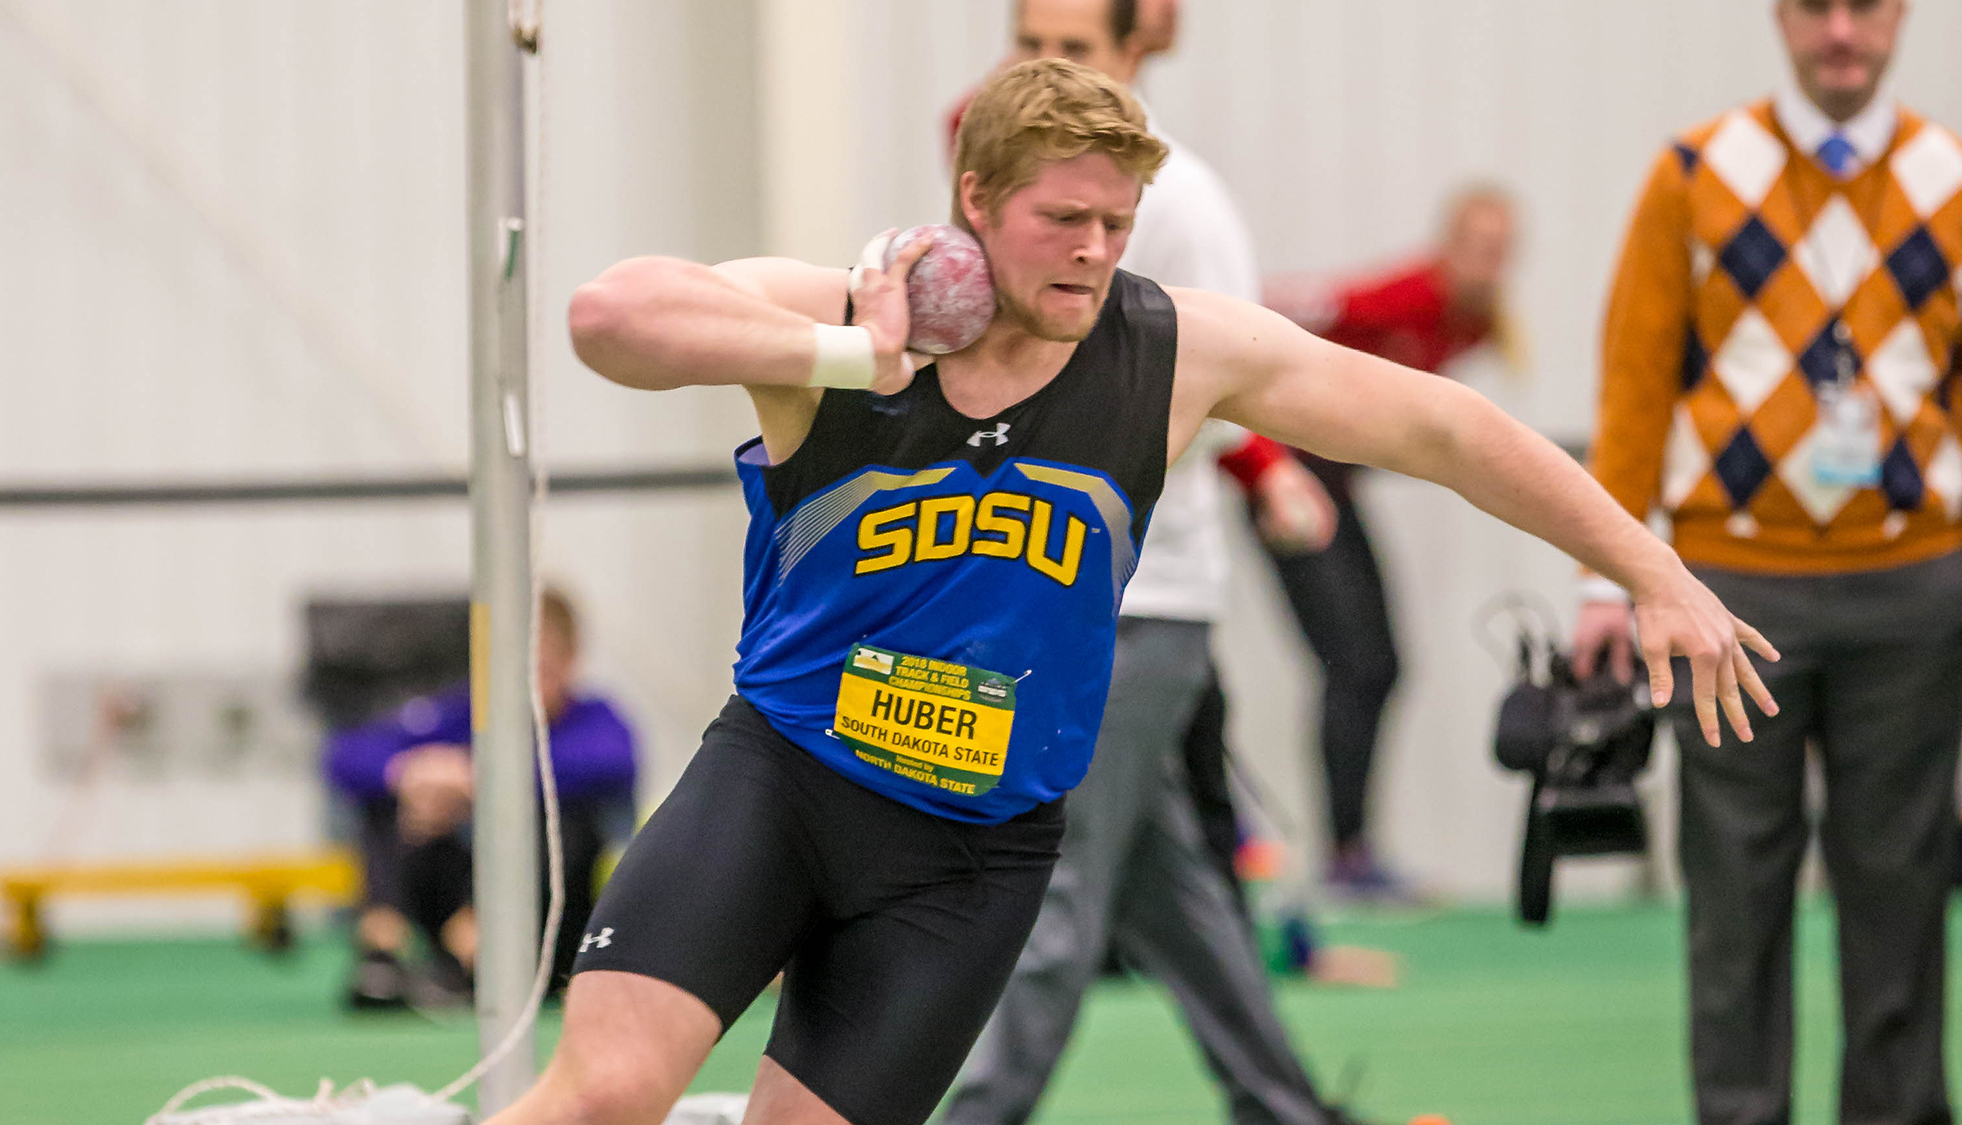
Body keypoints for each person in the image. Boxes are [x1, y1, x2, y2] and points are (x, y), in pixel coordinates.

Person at [494, 58, 1773, 1125]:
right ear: (974, 200)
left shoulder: (1170, 356)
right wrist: (851, 351)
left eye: (1118, 223)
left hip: (970, 857)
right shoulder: (840, 321)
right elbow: (611, 316)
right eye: (1064, 221)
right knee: (605, 1096)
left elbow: (1437, 428)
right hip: (780, 787)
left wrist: (1649, 569)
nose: (1095, 253)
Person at [1570, 2, 1962, 1122]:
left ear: (1897, 16)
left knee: (1900, 888)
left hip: (1916, 588)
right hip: (1726, 590)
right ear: (1780, 17)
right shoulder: (1694, 172)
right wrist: (1604, 579)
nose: (1840, 33)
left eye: (1864, 7)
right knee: (1733, 894)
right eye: (1815, 7)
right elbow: (1633, 386)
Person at [931, 4, 1358, 1125]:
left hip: (1137, 605)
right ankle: (1284, 1106)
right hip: (1043, 594)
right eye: (1026, 47)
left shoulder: (1187, 208)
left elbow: (1232, 381)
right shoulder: (997, 179)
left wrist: (1267, 470)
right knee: (1168, 888)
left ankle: (977, 1112)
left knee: (1050, 879)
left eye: (1069, 52)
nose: (1035, 70)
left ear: (1134, 54)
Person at [1261, 186, 1518, 898]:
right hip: (1286, 475)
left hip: (1334, 483)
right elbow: (1280, 309)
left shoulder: (1474, 324)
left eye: (1501, 253)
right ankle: (1344, 856)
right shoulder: (1409, 296)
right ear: (1446, 247)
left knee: (1380, 664)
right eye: (1477, 248)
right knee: (1356, 663)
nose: (1489, 266)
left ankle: (1353, 851)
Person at [323, 587, 637, 1008]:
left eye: (539, 670)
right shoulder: (460, 715)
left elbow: (609, 763)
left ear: (570, 662)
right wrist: (411, 774)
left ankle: (477, 950)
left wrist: (480, 779)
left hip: (553, 923)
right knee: (392, 805)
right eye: (511, 669)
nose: (524, 685)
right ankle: (384, 949)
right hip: (453, 896)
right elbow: (346, 755)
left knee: (561, 821)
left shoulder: (596, 720)